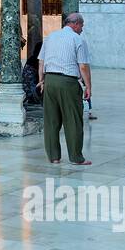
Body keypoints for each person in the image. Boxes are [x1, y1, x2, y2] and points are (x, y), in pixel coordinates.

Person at [39, 13, 92, 166]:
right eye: (81, 25)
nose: (82, 29)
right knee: (73, 120)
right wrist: (88, 86)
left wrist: (41, 81)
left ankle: (53, 157)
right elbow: (83, 66)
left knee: (51, 120)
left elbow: (41, 62)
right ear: (75, 24)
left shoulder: (50, 37)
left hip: (49, 81)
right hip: (68, 82)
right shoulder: (78, 39)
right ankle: (76, 157)